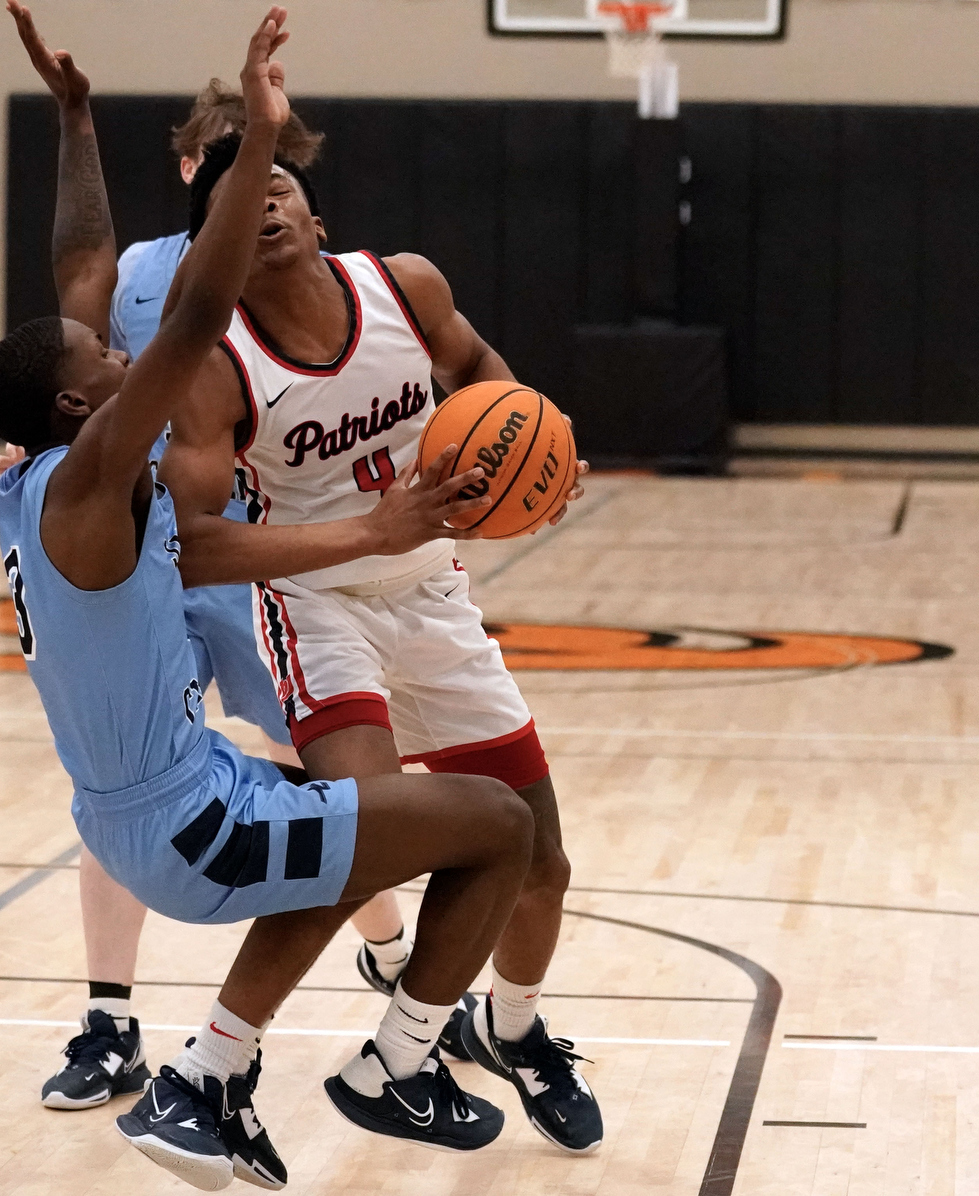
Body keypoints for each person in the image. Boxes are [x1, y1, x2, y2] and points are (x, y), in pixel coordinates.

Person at [0, 5, 532, 1189]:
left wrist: (74, 115)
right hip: (184, 806)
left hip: (154, 754)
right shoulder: (113, 443)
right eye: (104, 368)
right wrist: (254, 149)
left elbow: (83, 280)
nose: (121, 358)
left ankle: (215, 1075)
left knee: (358, 822)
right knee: (491, 823)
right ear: (79, 410)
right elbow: (188, 312)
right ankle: (305, 1062)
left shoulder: (35, 485)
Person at [160, 127, 601, 1154]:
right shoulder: (214, 367)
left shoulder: (406, 288)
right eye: (234, 202)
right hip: (316, 610)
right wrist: (370, 530)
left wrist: (534, 442)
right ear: (214, 244)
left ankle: (509, 1028)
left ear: (318, 216)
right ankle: (215, 1062)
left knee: (541, 863)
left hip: (432, 597)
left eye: (275, 187)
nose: (260, 206)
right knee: (353, 850)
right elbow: (191, 547)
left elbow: (482, 373)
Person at [0, 86, 417, 1117]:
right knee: (121, 778)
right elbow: (66, 380)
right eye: (221, 156)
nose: (243, 180)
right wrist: (36, 454)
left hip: (241, 561)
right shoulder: (135, 279)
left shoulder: (300, 272)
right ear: (186, 168)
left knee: (328, 776)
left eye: (261, 161)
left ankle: (390, 952)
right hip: (138, 571)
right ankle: (109, 1018)